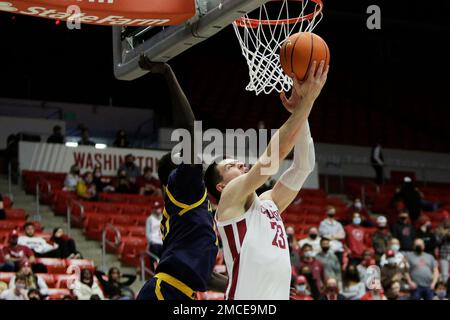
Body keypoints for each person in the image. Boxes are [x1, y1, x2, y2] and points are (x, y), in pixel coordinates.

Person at [205, 61, 328, 299]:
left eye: (238, 161)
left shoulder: (269, 202)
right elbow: (271, 161)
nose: (240, 164)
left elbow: (303, 167)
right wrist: (306, 102)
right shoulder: (229, 201)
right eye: (231, 166)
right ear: (221, 186)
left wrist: (301, 114)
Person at [136, 60, 227, 300]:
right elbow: (188, 130)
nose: (196, 162)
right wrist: (168, 73)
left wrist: (251, 286)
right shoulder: (182, 186)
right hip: (166, 291)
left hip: (178, 291)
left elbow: (204, 277)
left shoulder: (190, 210)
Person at [435, 217, 450, 283]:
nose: (447, 222)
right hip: (444, 255)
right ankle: (447, 289)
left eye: (448, 220)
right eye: (445, 220)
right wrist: (444, 235)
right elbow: (438, 242)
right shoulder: (439, 230)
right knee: (444, 274)